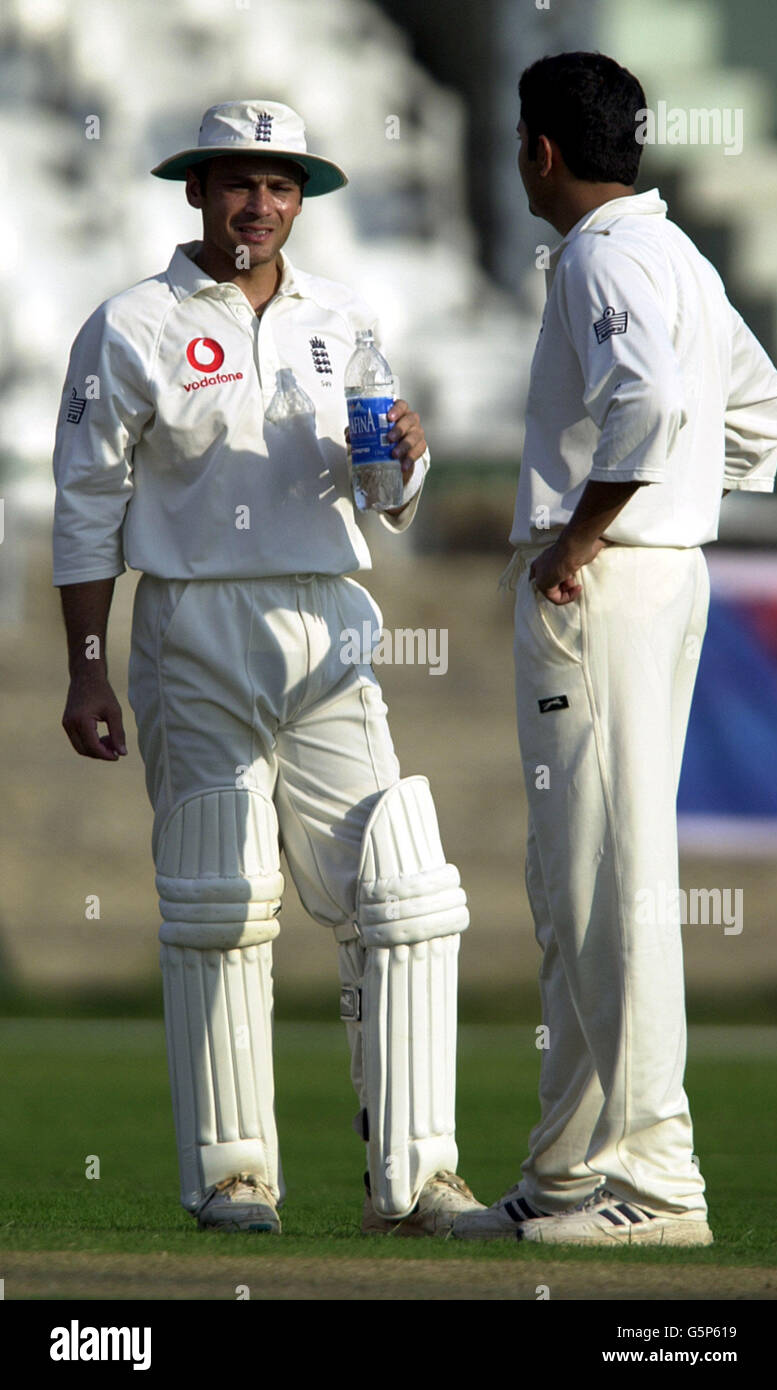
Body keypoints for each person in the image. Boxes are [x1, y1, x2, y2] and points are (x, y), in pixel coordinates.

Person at [53, 100, 483, 1236]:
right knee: (219, 893)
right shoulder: (131, 324)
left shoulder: (342, 318)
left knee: (401, 889)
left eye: (280, 186)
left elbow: (387, 496)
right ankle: (235, 1173)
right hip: (194, 617)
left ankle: (418, 1176)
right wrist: (87, 669)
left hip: (329, 612)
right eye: (238, 183)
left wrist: (406, 467)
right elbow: (87, 506)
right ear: (196, 190)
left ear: (302, 200)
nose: (259, 205)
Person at [454, 53, 777, 1245]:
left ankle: (657, 1185)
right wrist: (677, 510)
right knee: (579, 885)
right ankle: (567, 1178)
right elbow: (761, 412)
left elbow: (647, 402)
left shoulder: (601, 255)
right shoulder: (673, 251)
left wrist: (589, 536)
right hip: (651, 575)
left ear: (539, 150)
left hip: (596, 583)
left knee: (609, 888)